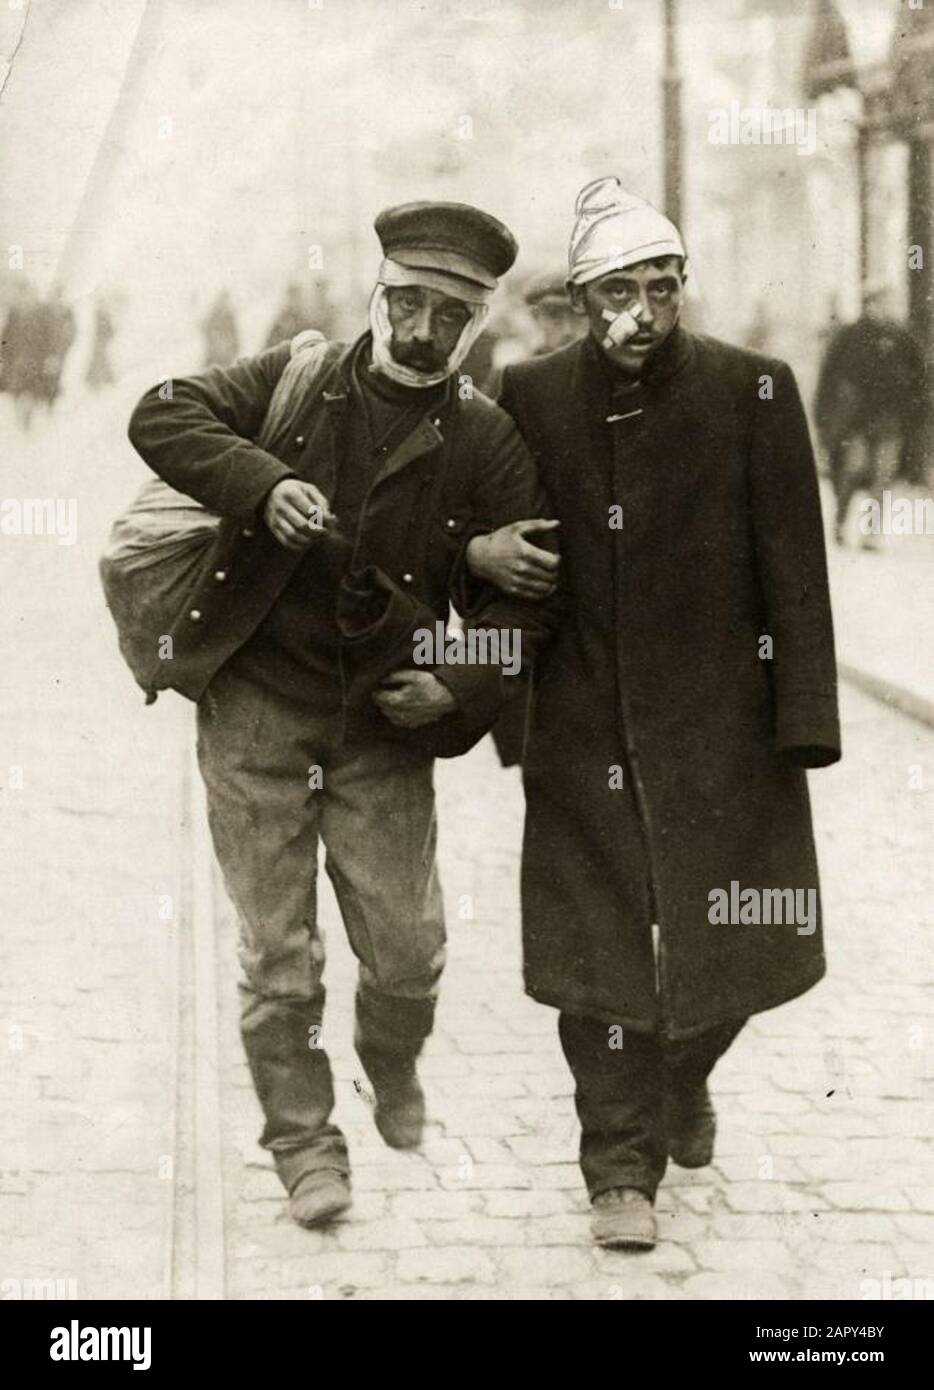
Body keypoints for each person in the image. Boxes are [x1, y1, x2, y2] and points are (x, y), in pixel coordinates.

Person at [127, 200, 558, 1230]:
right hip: (258, 710)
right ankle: (304, 1142)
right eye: (406, 302)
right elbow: (160, 413)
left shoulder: (486, 437)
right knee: (278, 955)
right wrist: (262, 480)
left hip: (380, 727)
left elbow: (530, 601)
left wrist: (459, 681)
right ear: (378, 293)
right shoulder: (299, 378)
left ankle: (388, 1055)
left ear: (477, 324)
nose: (421, 331)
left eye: (448, 316)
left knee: (407, 952)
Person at [467, 177, 840, 1250]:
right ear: (580, 300)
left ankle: (682, 1073)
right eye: (618, 293)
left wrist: (802, 718)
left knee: (740, 938)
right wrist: (480, 573)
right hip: (583, 713)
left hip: (726, 723)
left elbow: (795, 569)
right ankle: (619, 1168)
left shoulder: (753, 389)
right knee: (596, 954)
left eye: (662, 288)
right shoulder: (529, 393)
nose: (643, 313)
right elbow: (485, 537)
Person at [815, 284, 927, 545]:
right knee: (855, 467)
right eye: (881, 302)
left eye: (889, 303)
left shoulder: (902, 338)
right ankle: (841, 520)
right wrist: (824, 416)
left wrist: (915, 413)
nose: (886, 308)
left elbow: (919, 378)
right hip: (856, 420)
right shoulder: (850, 336)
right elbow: (829, 376)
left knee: (883, 474)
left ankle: (871, 533)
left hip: (890, 420)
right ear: (869, 304)